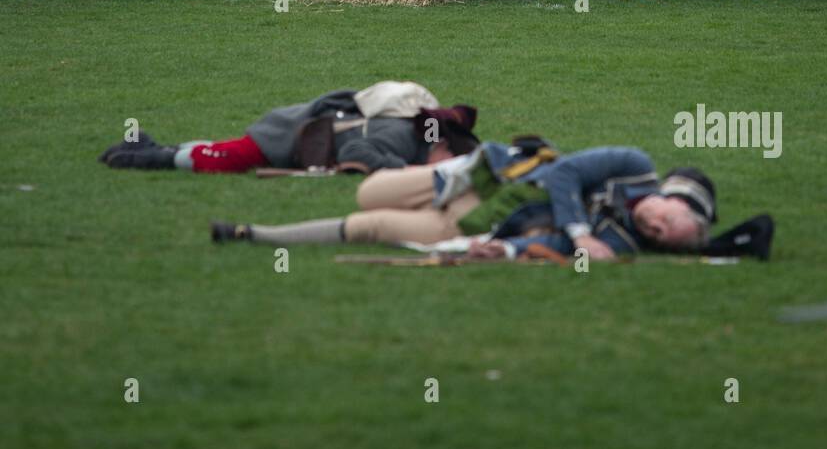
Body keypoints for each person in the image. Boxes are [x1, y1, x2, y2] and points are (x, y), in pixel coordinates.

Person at [206, 145, 772, 265]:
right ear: (676, 198)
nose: (653, 225)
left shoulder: (621, 244)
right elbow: (568, 171)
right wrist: (579, 231)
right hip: (481, 182)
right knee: (368, 189)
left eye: (661, 237)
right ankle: (446, 161)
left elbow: (538, 244)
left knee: (369, 222)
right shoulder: (633, 164)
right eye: (665, 220)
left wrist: (499, 249)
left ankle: (256, 234)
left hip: (479, 221)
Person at [99, 81, 478, 173]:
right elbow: (354, 153)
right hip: (292, 135)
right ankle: (151, 158)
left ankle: (151, 145)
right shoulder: (402, 136)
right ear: (441, 147)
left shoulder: (414, 135)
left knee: (229, 148)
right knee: (228, 157)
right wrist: (405, 173)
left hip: (301, 130)